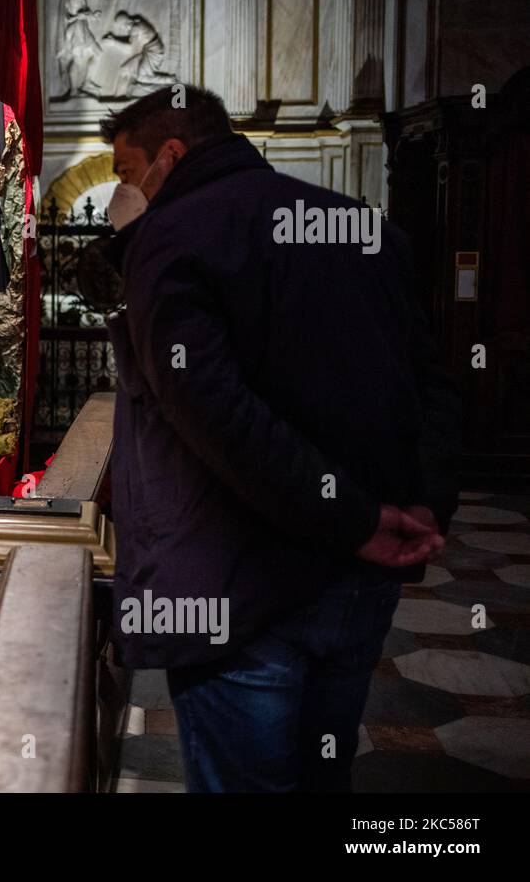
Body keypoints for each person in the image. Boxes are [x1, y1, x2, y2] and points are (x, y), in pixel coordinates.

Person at [99, 85, 459, 792]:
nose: (121, 188)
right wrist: (422, 504)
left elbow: (214, 413)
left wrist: (355, 519)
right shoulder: (363, 226)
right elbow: (436, 384)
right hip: (362, 580)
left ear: (169, 156)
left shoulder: (172, 238)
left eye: (123, 169)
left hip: (238, 591)